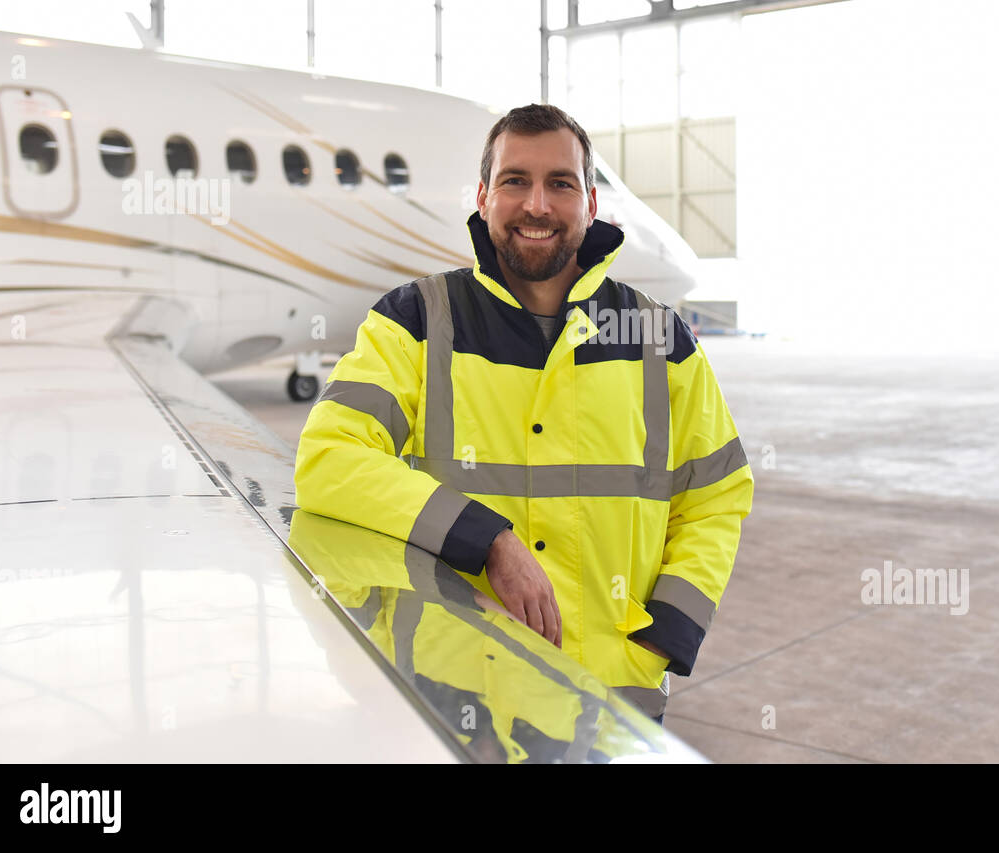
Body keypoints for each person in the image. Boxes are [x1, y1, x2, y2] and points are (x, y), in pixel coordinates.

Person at [293, 103, 753, 723]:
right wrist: (487, 540)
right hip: (457, 692)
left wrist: (670, 627)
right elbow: (329, 459)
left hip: (612, 697)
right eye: (515, 181)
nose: (537, 204)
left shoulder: (656, 336)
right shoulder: (417, 320)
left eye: (560, 183)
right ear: (484, 197)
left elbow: (715, 494)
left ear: (590, 202)